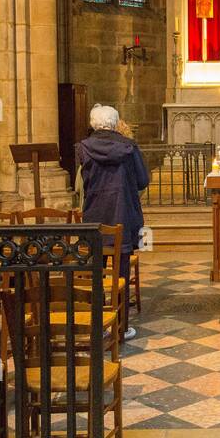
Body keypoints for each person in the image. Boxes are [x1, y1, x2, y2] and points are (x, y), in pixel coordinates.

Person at [77, 105, 148, 339]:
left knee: (96, 271)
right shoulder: (128, 147)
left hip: (95, 217)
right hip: (122, 216)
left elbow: (82, 182)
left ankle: (97, 325)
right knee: (121, 273)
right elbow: (142, 180)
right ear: (116, 123)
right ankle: (121, 326)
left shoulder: (83, 148)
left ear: (93, 123)